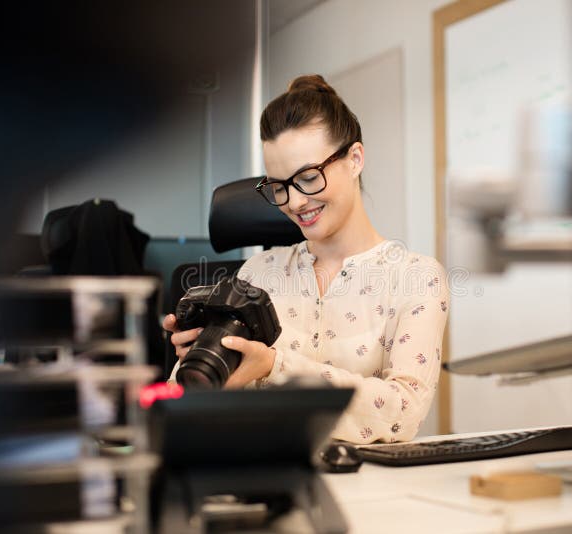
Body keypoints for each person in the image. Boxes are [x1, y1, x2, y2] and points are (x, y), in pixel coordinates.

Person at [164, 74, 448, 444]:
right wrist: (197, 360)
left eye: (309, 177)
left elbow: (403, 414)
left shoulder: (416, 277)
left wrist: (273, 367)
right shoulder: (258, 274)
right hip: (259, 481)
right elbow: (184, 408)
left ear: (355, 159)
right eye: (278, 187)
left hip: (369, 492)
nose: (295, 202)